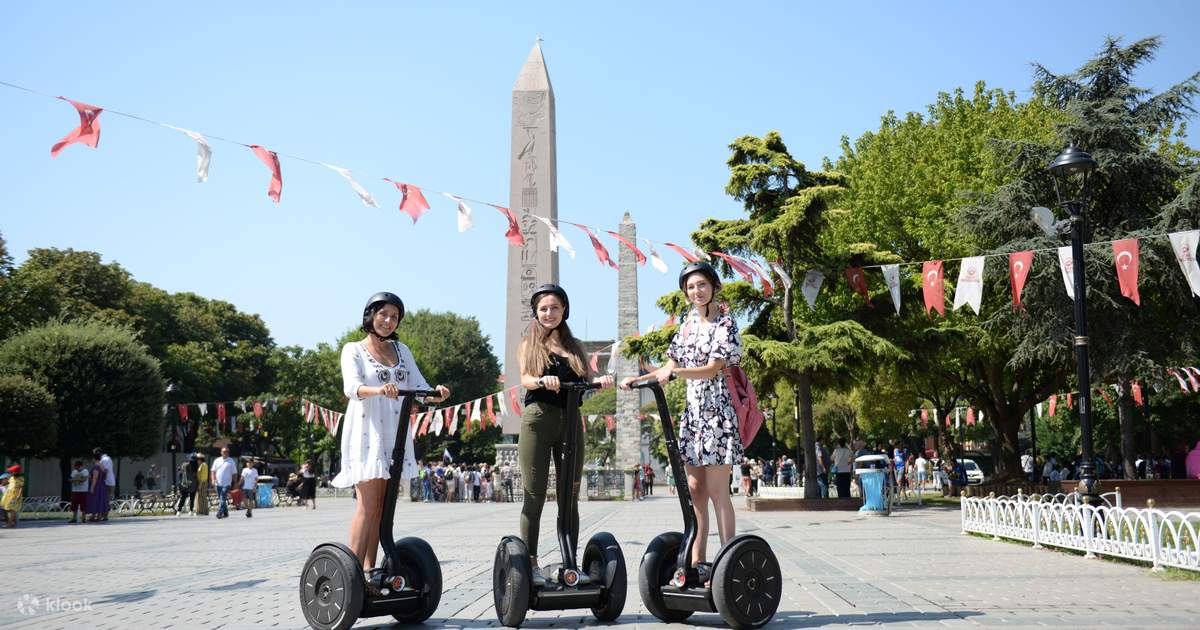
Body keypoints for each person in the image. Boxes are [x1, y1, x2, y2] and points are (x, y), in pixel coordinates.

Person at [621, 262, 742, 585]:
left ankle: (729, 559)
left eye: (701, 285)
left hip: (716, 414)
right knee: (695, 491)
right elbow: (670, 363)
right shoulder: (687, 323)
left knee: (718, 491)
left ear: (715, 286)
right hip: (693, 415)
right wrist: (639, 378)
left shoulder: (725, 323)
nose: (696, 291)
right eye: (690, 287)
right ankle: (698, 560)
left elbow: (713, 368)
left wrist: (674, 373)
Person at [330, 292, 450, 587]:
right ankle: (352, 575)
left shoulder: (401, 350)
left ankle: (371, 571)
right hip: (366, 432)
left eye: (394, 317)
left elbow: (418, 385)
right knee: (368, 505)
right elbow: (352, 388)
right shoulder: (353, 349)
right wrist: (379, 390)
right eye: (383, 314)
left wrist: (437, 393)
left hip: (394, 434)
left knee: (383, 508)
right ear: (370, 315)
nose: (388, 321)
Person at [517, 284, 614, 583]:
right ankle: (530, 563)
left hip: (571, 421)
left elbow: (587, 381)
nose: (549, 313)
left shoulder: (575, 347)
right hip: (538, 419)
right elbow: (525, 378)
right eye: (543, 309)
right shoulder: (528, 345)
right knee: (534, 496)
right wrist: (541, 380)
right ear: (536, 313)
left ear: (564, 311)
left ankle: (570, 561)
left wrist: (603, 381)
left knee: (569, 496)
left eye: (554, 308)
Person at [212, 447, 236, 519]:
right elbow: (213, 471)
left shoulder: (231, 461)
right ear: (221, 452)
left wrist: (235, 483)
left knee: (222, 496)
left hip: (227, 483)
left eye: (227, 452)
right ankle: (225, 512)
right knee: (222, 498)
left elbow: (234, 473)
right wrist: (213, 479)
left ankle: (220, 512)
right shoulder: (217, 460)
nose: (226, 453)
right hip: (218, 483)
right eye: (224, 452)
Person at [85, 454, 108, 522]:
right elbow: (105, 477)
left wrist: (92, 487)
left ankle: (93, 516)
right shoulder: (102, 466)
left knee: (95, 500)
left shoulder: (96, 467)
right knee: (100, 500)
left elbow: (95, 478)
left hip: (97, 486)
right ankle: (99, 516)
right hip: (102, 485)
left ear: (94, 459)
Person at [97, 447, 115, 521]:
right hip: (110, 481)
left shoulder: (105, 459)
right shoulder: (107, 458)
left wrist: (102, 480)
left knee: (105, 499)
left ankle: (104, 516)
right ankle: (104, 516)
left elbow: (106, 471)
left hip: (107, 482)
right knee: (106, 499)